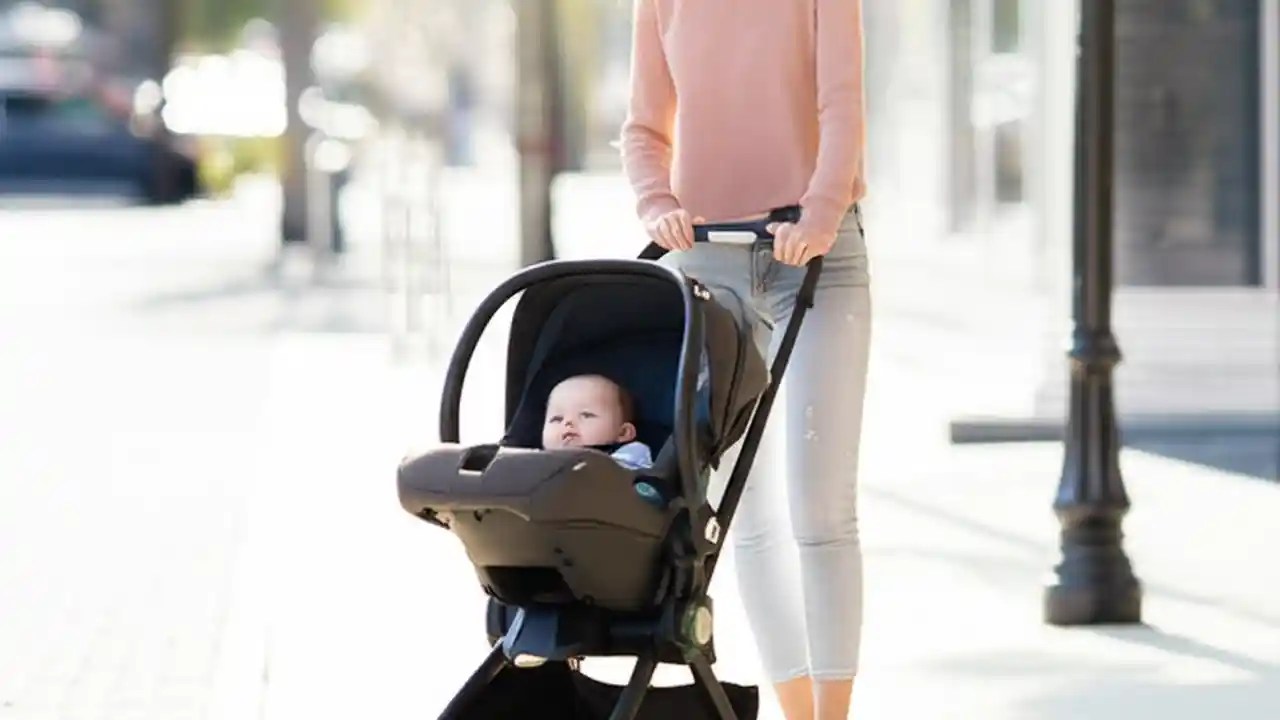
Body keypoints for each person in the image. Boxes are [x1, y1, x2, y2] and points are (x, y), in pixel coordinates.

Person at [619, 1, 871, 718]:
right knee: (741, 514)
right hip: (706, 258)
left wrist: (820, 212)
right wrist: (655, 201)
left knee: (822, 510)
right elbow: (643, 127)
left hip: (817, 254)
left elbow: (842, 104)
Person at [542, 374, 655, 473]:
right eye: (557, 419)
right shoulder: (536, 462)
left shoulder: (630, 455)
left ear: (623, 432)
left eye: (586, 415)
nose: (567, 422)